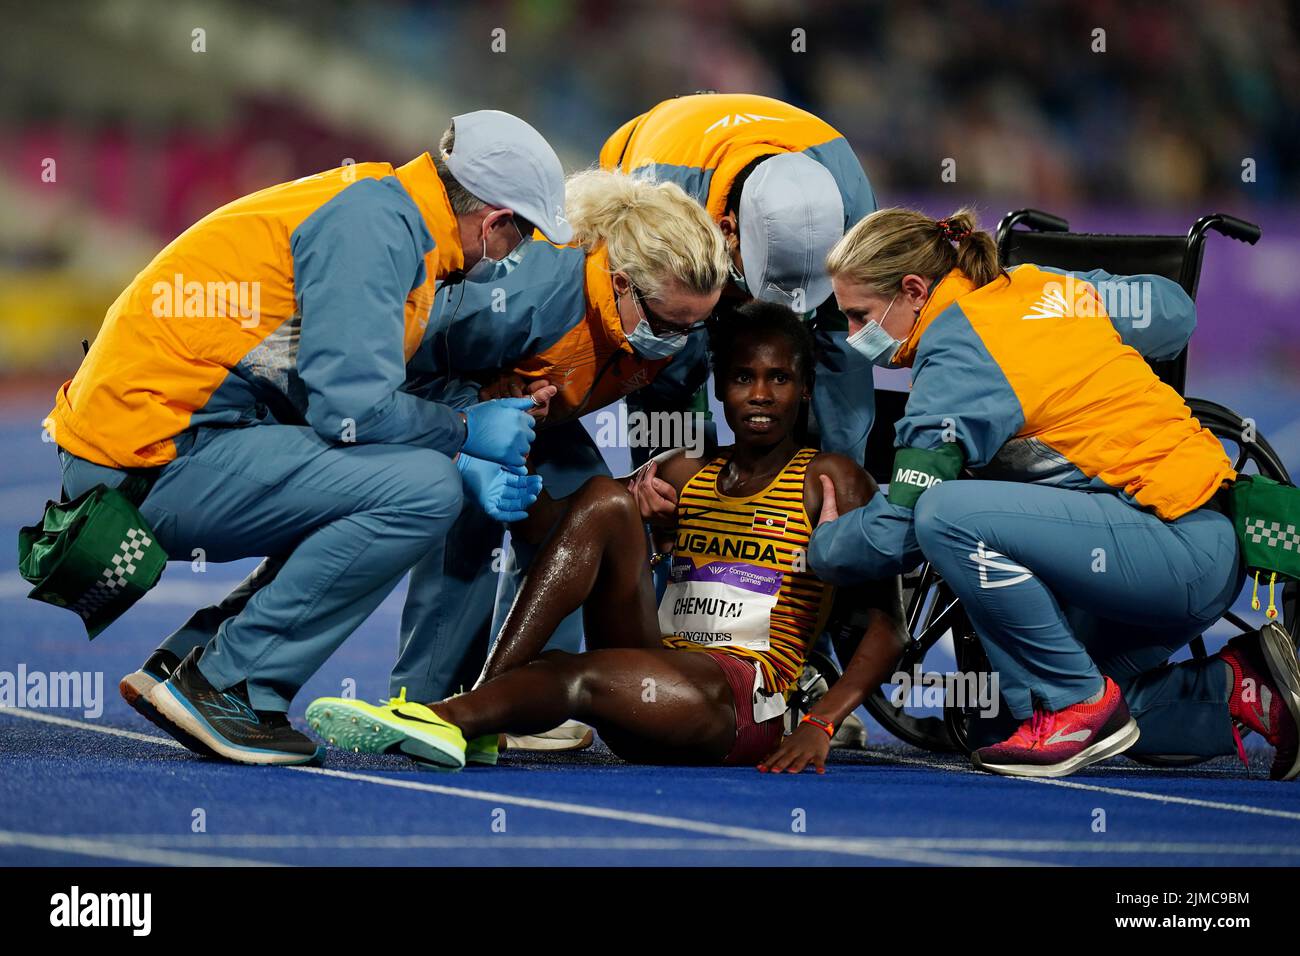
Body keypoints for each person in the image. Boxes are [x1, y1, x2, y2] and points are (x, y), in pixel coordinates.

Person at [49, 111, 571, 765]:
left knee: (388, 474)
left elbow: (332, 385)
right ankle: (227, 683)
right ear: (494, 221)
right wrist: (464, 433)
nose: (512, 256)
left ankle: (194, 661)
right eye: (518, 238)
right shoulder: (378, 230)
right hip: (149, 464)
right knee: (421, 490)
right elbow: (350, 412)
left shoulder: (383, 211)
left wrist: (465, 418)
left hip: (157, 447)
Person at [808, 207, 1300, 780]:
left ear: (914, 291)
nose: (852, 337)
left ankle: (1076, 701)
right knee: (1006, 720)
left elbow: (902, 525)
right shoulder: (1046, 284)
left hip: (1174, 550)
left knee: (945, 514)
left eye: (858, 316)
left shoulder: (957, 356)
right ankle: (1237, 690)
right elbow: (1174, 314)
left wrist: (821, 549)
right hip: (1195, 545)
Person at [305, 303, 905, 771]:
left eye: (779, 378)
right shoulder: (681, 471)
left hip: (738, 703)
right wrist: (514, 464)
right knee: (603, 498)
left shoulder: (830, 478)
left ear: (804, 388)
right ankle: (482, 705)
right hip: (654, 681)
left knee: (574, 673)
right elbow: (564, 532)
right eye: (744, 377)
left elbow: (887, 624)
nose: (761, 395)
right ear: (720, 386)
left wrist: (821, 723)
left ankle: (449, 717)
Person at [391, 169, 730, 759]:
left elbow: (668, 416)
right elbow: (402, 370)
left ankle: (519, 701)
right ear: (621, 283)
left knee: (588, 514)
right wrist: (477, 420)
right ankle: (421, 703)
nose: (681, 339)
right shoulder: (525, 296)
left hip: (545, 417)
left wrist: (651, 482)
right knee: (466, 532)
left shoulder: (677, 317)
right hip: (456, 404)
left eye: (695, 324)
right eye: (670, 324)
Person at [600, 91, 879, 465]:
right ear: (728, 230)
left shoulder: (852, 207)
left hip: (799, 146)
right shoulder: (663, 207)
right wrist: (672, 466)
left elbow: (846, 348)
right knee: (674, 367)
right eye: (764, 282)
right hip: (656, 159)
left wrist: (843, 467)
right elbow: (667, 367)